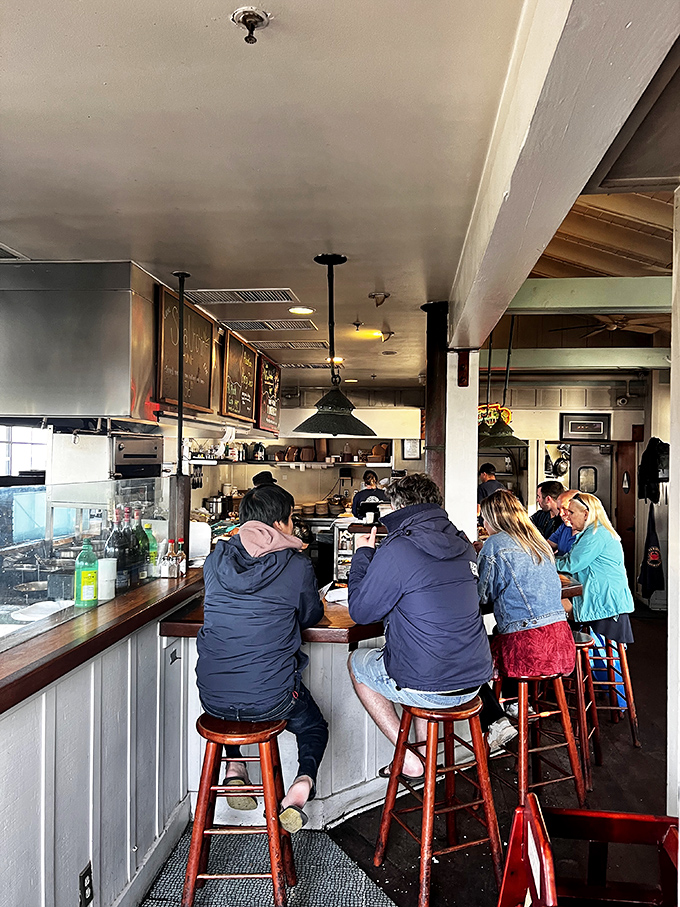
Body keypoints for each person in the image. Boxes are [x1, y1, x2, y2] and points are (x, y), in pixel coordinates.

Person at [346, 473, 514, 775]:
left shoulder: (398, 548)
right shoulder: (464, 543)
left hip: (428, 683)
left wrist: (362, 554)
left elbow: (361, 611)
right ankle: (427, 759)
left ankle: (408, 758)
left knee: (357, 664)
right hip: (475, 682)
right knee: (422, 663)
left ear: (398, 507)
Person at [196, 483, 328, 833]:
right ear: (282, 523)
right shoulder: (296, 565)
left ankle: (235, 767)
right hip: (272, 702)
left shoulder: (215, 559)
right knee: (314, 726)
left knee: (233, 697)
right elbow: (310, 616)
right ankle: (300, 788)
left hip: (212, 700)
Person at [477, 490, 576, 686]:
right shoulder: (538, 541)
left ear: (493, 519)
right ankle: (522, 703)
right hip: (562, 643)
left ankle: (503, 711)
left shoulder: (495, 543)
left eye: (484, 520)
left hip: (525, 649)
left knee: (471, 651)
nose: (483, 525)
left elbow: (481, 596)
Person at [555, 492, 635, 630]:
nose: (567, 516)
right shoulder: (592, 531)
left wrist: (543, 562)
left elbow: (571, 564)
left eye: (571, 512)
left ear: (586, 514)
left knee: (552, 601)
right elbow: (569, 559)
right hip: (603, 596)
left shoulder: (596, 534)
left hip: (605, 600)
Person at [548, 489, 578, 555]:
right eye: (559, 509)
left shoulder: (591, 533)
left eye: (565, 508)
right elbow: (548, 546)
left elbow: (572, 563)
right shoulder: (564, 526)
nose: (561, 514)